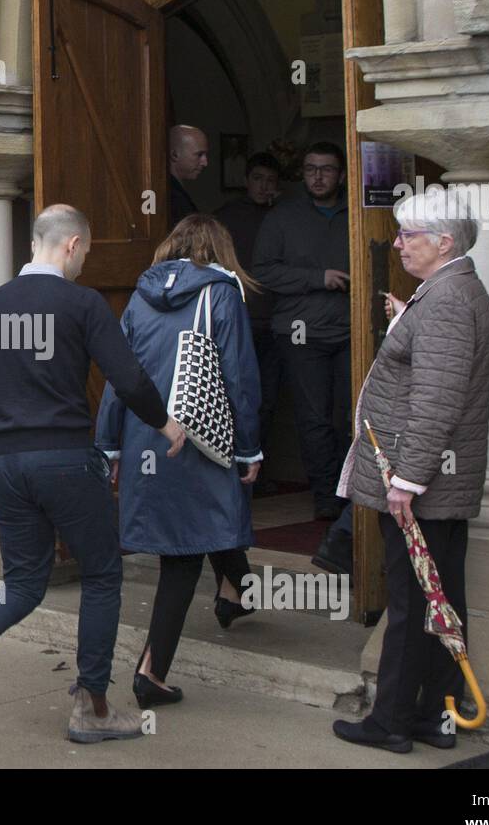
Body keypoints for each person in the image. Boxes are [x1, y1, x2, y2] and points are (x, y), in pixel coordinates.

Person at [0, 204, 186, 757]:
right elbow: (127, 377)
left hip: (8, 464)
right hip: (64, 458)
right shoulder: (82, 303)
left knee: (23, 583)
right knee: (104, 572)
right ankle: (92, 706)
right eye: (84, 253)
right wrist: (164, 422)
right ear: (73, 246)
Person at [332, 186, 489, 753]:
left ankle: (392, 722)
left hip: (424, 485)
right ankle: (435, 716)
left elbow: (437, 397)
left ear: (444, 242)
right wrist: (409, 320)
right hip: (437, 482)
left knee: (413, 603)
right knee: (439, 600)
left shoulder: (448, 300)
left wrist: (407, 479)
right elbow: (437, 368)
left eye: (408, 235)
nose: (397, 243)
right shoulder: (447, 293)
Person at [96, 216, 263, 708]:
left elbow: (118, 377)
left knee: (204, 524)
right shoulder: (222, 293)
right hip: (201, 432)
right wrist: (249, 446)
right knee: (186, 551)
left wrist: (109, 445)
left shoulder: (139, 299)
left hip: (146, 435)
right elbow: (239, 375)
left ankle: (237, 592)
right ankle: (151, 671)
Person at [252, 140, 351, 521]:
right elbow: (262, 271)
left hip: (349, 331)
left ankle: (351, 495)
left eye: (326, 169)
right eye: (311, 169)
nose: (318, 176)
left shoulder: (355, 213)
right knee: (314, 419)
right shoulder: (282, 216)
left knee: (349, 418)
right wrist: (317, 278)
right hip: (300, 332)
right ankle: (326, 495)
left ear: (341, 175)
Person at [217, 152, 283, 498]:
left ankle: (260, 468)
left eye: (271, 181)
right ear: (246, 180)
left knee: (266, 399)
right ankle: (231, 469)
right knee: (231, 394)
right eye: (258, 179)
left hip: (275, 320)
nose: (264, 187)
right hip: (238, 319)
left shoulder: (286, 216)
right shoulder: (227, 218)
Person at [168, 125, 208, 228]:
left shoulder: (176, 193)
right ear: (174, 155)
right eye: (199, 155)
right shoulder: (171, 197)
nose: (205, 162)